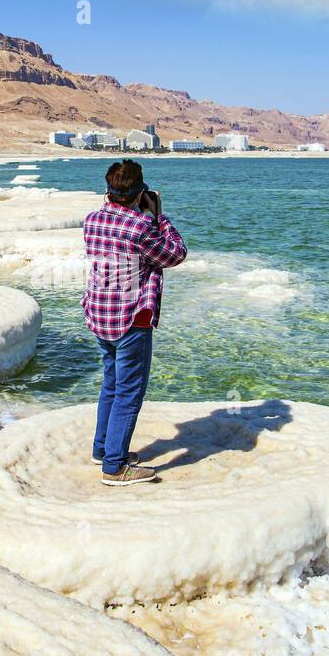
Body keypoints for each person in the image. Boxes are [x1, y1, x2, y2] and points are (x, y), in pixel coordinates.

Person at [82, 159, 187, 486]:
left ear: (108, 190)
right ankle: (114, 467)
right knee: (129, 392)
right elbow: (175, 254)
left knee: (111, 383)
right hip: (131, 317)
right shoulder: (141, 226)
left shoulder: (92, 220)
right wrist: (160, 216)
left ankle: (103, 448)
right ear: (140, 191)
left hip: (99, 312)